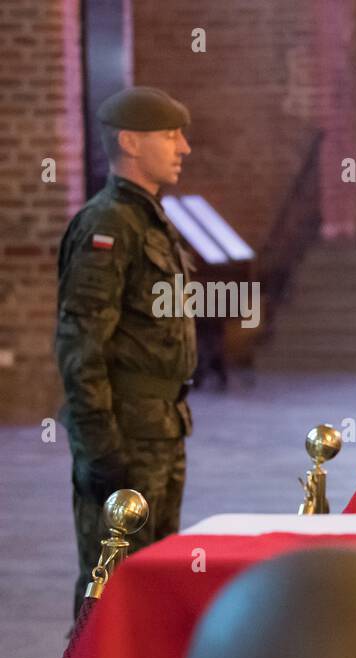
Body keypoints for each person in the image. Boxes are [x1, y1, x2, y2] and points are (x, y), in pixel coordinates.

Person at [54, 86, 196, 615]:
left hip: (161, 428)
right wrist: (100, 447)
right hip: (124, 432)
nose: (184, 147)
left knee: (152, 583)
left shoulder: (148, 218)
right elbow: (80, 342)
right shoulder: (107, 224)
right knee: (111, 585)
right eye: (170, 135)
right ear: (131, 143)